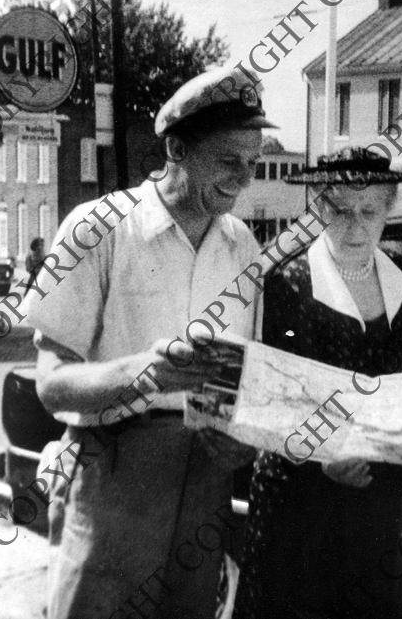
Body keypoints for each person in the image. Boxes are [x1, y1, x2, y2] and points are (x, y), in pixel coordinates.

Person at [24, 66, 276, 619]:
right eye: (229, 160)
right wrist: (145, 372)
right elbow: (51, 384)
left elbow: (249, 379)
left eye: (252, 164)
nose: (243, 179)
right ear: (178, 148)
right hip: (113, 470)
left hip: (205, 480)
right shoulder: (97, 228)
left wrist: (244, 444)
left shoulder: (244, 249)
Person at [233, 148, 402, 619]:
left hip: (376, 486)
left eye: (369, 212)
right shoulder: (287, 280)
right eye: (339, 210)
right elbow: (272, 396)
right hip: (300, 491)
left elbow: (399, 380)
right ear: (318, 205)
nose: (355, 226)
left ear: (388, 209)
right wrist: (326, 457)